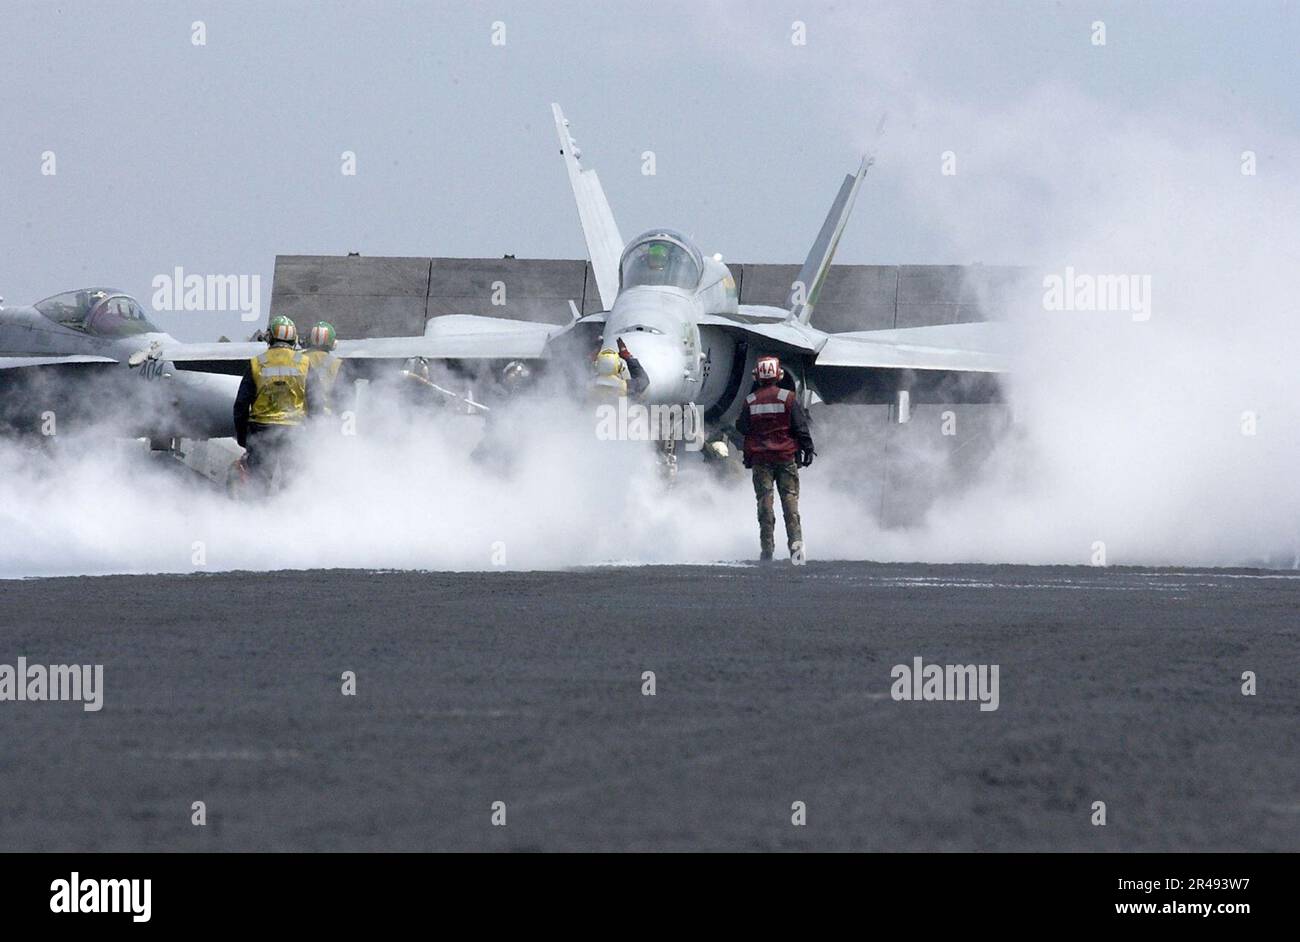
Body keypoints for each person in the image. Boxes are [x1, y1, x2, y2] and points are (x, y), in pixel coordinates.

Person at [736, 356, 815, 562]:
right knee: (790, 503)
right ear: (779, 375)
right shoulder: (788, 398)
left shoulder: (750, 401)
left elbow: (742, 427)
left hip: (761, 460)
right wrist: (808, 448)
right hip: (785, 458)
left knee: (765, 504)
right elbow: (800, 426)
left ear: (757, 377)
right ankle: (797, 551)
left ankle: (767, 550)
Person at [233, 315, 312, 494]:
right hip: (293, 433)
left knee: (258, 486)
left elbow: (241, 405)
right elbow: (315, 402)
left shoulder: (257, 363)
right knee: (291, 485)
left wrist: (243, 438)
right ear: (294, 339)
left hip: (261, 432)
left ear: (270, 337)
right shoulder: (304, 363)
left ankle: (258, 518)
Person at [303, 321, 343, 416]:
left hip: (301, 415)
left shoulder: (299, 359)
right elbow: (340, 393)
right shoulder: (337, 363)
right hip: (326, 417)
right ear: (333, 343)